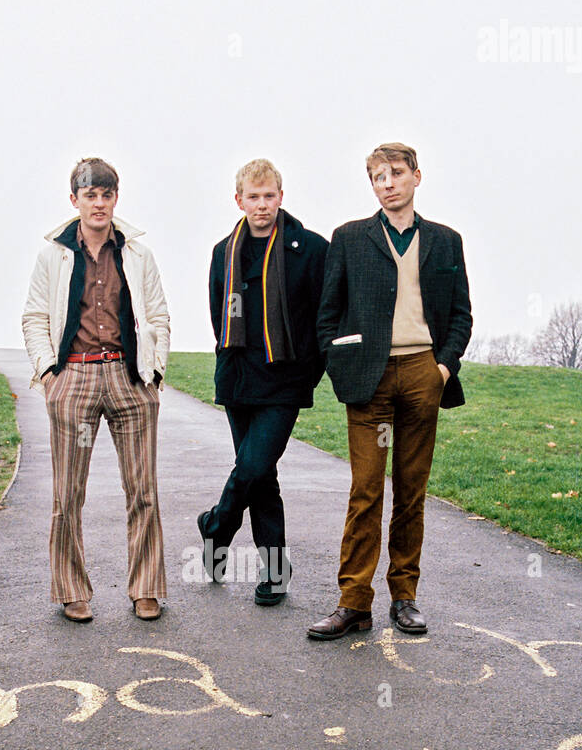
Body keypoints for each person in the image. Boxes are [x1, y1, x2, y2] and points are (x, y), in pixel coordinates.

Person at [308, 142, 473, 641]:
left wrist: (443, 366)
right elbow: (328, 314)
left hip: (423, 373)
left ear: (416, 177)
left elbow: (462, 313)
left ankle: (405, 598)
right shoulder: (351, 238)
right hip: (369, 379)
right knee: (366, 490)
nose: (387, 183)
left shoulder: (445, 241)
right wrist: (341, 364)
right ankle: (354, 603)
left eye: (396, 174)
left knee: (411, 490)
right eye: (378, 177)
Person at [22, 157, 171, 622]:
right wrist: (50, 374)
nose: (100, 203)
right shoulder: (54, 254)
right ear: (75, 201)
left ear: (115, 198)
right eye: (91, 195)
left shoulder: (137, 252)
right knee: (68, 494)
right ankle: (71, 590)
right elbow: (34, 318)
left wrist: (155, 372)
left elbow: (160, 317)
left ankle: (145, 588)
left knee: (143, 490)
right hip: (76, 377)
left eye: (107, 194)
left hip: (129, 377)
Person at [197, 158, 327, 604]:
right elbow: (219, 315)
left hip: (285, 380)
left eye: (269, 195)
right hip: (238, 378)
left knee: (252, 467)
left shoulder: (309, 248)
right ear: (239, 200)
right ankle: (275, 571)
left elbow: (321, 315)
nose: (262, 205)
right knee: (261, 474)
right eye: (253, 197)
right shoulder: (224, 252)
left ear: (281, 196)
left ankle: (216, 525)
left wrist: (312, 369)